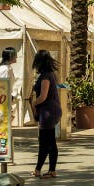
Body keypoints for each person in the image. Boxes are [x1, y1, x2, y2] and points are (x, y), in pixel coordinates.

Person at [30, 50, 63, 178]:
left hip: (47, 112)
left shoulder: (45, 77)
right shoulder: (51, 74)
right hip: (51, 111)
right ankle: (38, 169)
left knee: (48, 142)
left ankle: (51, 170)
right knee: (45, 142)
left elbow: (43, 96)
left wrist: (34, 103)